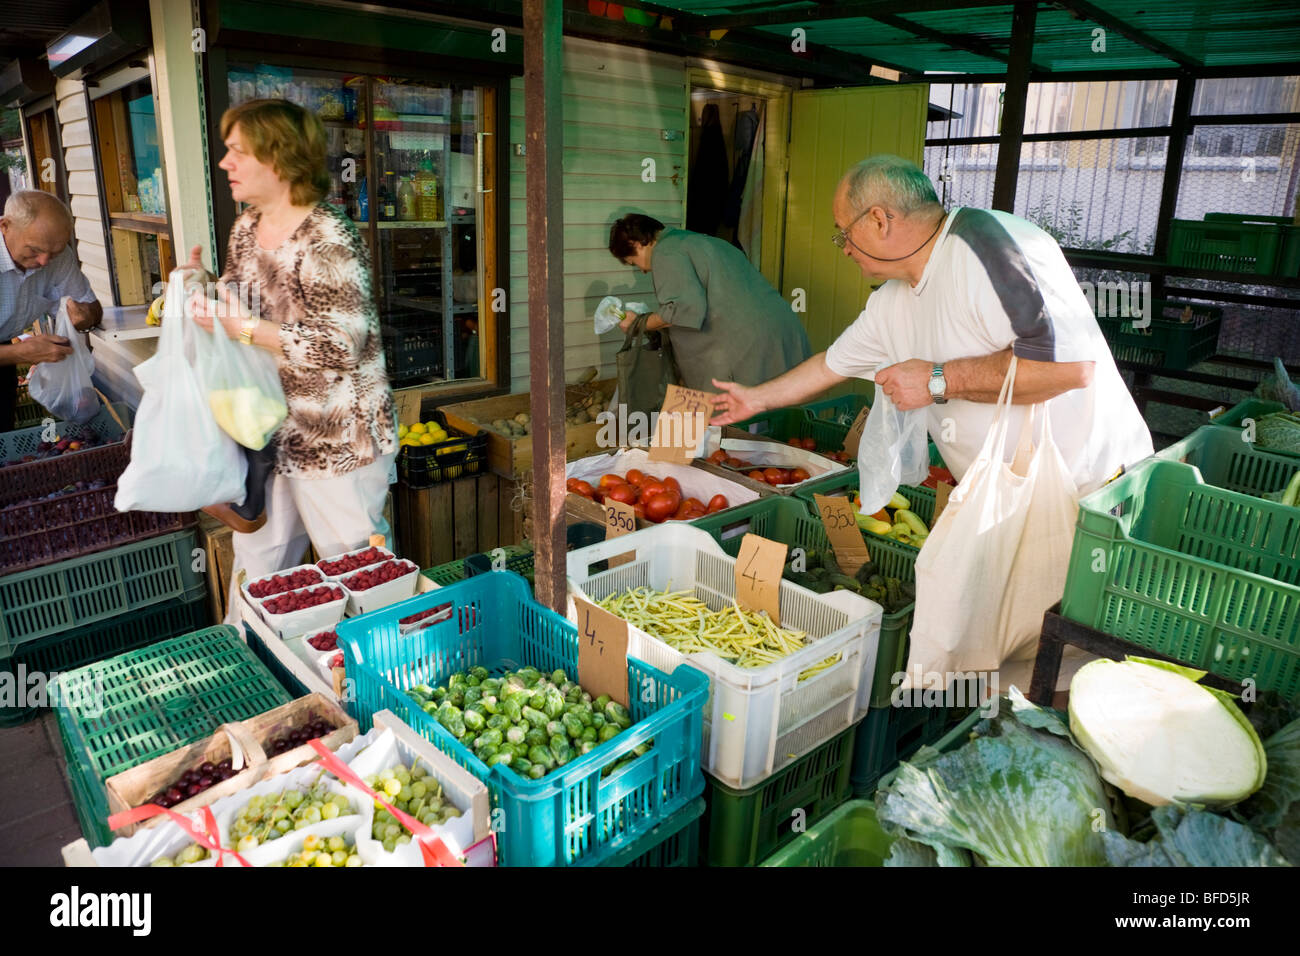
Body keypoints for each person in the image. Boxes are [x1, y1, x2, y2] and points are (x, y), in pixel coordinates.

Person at [711, 155, 1153, 497]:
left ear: (879, 220)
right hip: (1005, 496)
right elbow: (833, 364)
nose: (844, 249)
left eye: (843, 233)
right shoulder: (892, 301)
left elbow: (1069, 369)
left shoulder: (987, 246)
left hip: (1092, 488)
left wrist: (937, 380)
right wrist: (756, 398)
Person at [185, 98, 398, 625]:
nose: (224, 162)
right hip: (269, 433)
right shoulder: (245, 228)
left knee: (359, 574)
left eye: (237, 151)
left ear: (277, 158)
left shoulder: (327, 238)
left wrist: (247, 330)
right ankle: (253, 672)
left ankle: (382, 680)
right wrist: (202, 290)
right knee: (259, 572)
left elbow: (340, 347)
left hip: (336, 445)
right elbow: (244, 304)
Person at [608, 213, 811, 392]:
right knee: (781, 418)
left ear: (637, 244)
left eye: (633, 262)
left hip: (747, 347)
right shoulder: (702, 242)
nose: (642, 271)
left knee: (743, 428)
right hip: (783, 331)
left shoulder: (665, 252)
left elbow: (682, 311)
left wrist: (638, 324)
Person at [0, 190, 103, 430]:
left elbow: (92, 307)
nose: (45, 261)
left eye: (54, 252)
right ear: (5, 226)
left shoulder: (56, 256)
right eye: (34, 250)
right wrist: (20, 353)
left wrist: (85, 316)